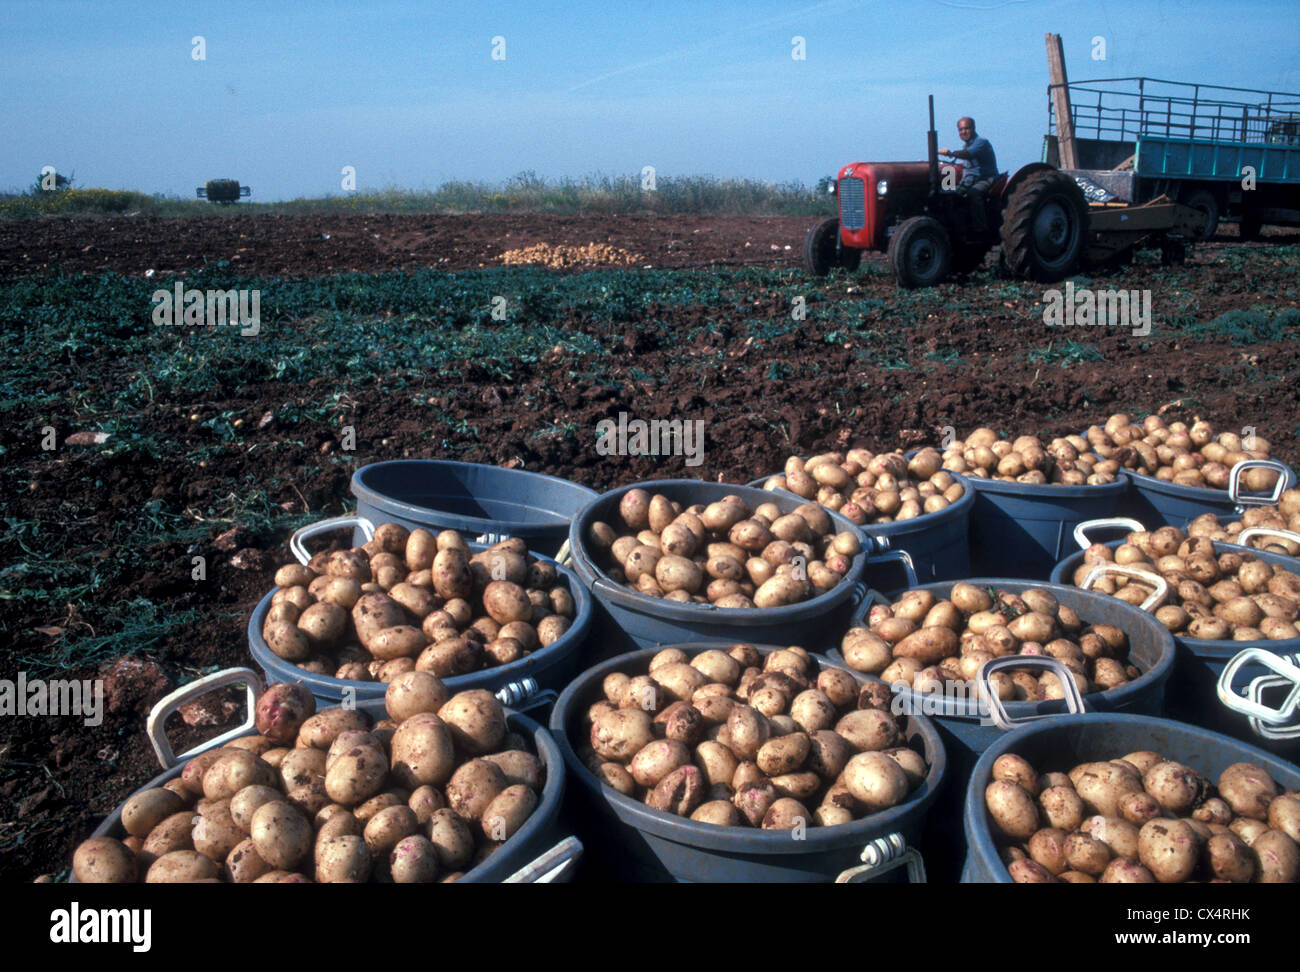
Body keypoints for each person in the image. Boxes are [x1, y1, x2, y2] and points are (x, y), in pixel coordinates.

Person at [939, 118, 998, 232]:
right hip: (970, 180)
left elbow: (968, 155)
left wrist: (949, 153)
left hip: (985, 178)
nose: (963, 132)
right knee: (948, 194)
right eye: (960, 129)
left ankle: (980, 229)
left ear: (973, 128)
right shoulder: (965, 146)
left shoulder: (981, 142)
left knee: (973, 193)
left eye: (966, 128)